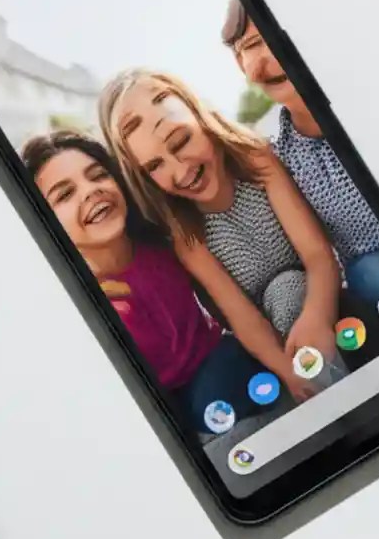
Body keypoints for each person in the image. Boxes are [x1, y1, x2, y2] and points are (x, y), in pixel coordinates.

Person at [97, 70, 341, 401]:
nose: (181, 171)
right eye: (155, 166)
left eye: (181, 142)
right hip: (262, 339)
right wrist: (285, 370)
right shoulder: (187, 236)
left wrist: (318, 315)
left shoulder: (257, 161)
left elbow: (318, 254)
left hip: (316, 296)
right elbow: (243, 319)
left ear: (198, 114)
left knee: (287, 290)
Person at [20, 130, 272, 432]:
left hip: (213, 362)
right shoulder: (72, 303)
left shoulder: (162, 239)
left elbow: (226, 302)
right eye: (64, 195)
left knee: (214, 402)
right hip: (156, 404)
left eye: (98, 175)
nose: (90, 191)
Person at [221, 0, 379, 317]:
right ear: (240, 65)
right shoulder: (279, 160)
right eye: (254, 43)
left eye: (280, 34)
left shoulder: (374, 103)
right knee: (374, 273)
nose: (274, 53)